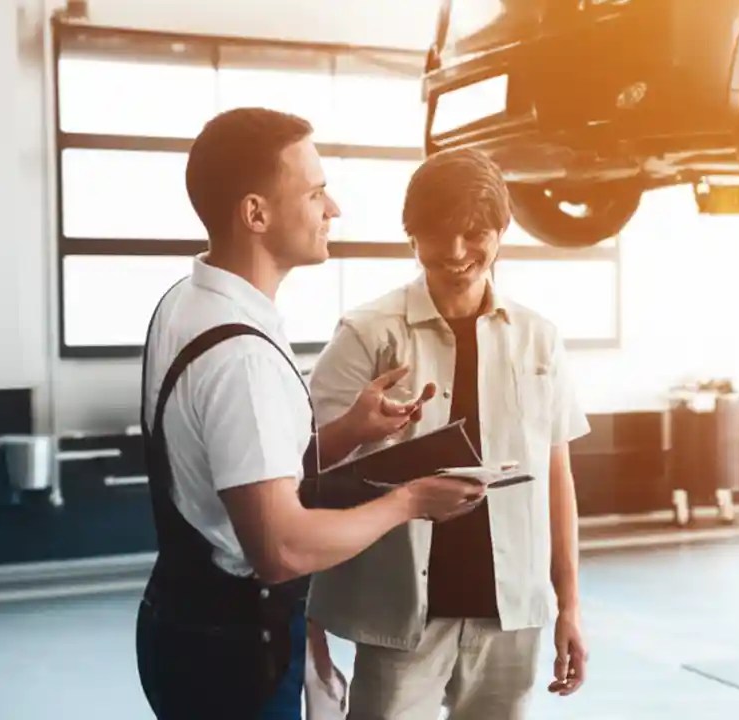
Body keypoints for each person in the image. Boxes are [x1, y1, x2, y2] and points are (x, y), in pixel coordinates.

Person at [136, 108, 485, 720]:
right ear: (256, 214)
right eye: (316, 192)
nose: (334, 209)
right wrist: (410, 502)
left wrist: (351, 430)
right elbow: (282, 547)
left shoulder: (185, 302)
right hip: (234, 656)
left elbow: (240, 472)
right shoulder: (242, 358)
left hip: (182, 621)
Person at [307, 148, 591, 719]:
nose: (457, 252)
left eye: (475, 233)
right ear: (412, 236)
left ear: (501, 231)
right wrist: (358, 429)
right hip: (403, 615)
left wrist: (569, 607)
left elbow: (556, 477)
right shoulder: (368, 332)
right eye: (439, 234)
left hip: (510, 613)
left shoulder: (539, 337)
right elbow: (305, 466)